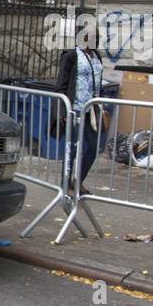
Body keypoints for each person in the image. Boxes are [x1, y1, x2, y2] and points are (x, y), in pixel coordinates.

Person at [54, 28, 107, 195]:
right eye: (93, 37)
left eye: (97, 38)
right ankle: (66, 184)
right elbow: (61, 85)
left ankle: (78, 181)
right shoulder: (71, 56)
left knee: (92, 147)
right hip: (74, 108)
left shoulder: (96, 56)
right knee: (73, 148)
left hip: (92, 108)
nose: (96, 41)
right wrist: (62, 111)